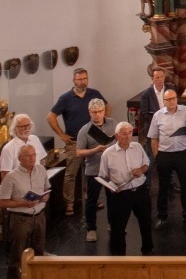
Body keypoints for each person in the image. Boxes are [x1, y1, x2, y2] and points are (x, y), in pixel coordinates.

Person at [47, 67, 107, 215]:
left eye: (85, 78)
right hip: (74, 142)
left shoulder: (94, 94)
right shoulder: (65, 98)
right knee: (71, 174)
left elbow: (106, 106)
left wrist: (102, 124)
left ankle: (92, 197)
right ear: (74, 80)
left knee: (92, 172)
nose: (82, 81)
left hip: (92, 140)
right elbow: (50, 117)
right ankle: (69, 203)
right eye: (80, 79)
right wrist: (61, 134)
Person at [98, 123, 153, 257]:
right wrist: (111, 187)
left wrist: (141, 170)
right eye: (124, 133)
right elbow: (103, 176)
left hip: (140, 191)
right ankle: (118, 257)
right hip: (121, 194)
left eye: (130, 132)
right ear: (117, 136)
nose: (128, 136)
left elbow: (146, 164)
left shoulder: (138, 147)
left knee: (146, 222)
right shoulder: (108, 154)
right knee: (118, 228)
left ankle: (148, 250)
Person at [0, 145, 49, 279]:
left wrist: (46, 196)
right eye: (28, 156)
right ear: (20, 159)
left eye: (34, 155)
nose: (32, 158)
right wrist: (21, 202)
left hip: (39, 216)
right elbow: (2, 202)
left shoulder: (41, 170)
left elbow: (46, 188)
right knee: (17, 253)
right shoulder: (11, 177)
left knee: (39, 250)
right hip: (20, 219)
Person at [148, 89, 186, 229]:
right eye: (168, 99)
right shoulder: (158, 115)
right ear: (163, 101)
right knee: (163, 186)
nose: (171, 101)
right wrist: (157, 156)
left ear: (177, 98)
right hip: (164, 154)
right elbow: (153, 138)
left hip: (182, 153)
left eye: (173, 98)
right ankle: (162, 216)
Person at [75, 98, 116, 242]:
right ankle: (91, 229)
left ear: (104, 111)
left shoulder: (112, 123)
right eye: (95, 112)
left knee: (112, 199)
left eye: (100, 111)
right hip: (94, 170)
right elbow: (79, 152)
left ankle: (113, 224)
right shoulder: (85, 130)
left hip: (111, 170)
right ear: (89, 113)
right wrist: (95, 150)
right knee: (92, 200)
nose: (98, 115)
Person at [0, 114, 45, 178]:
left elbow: (42, 161)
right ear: (15, 129)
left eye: (28, 125)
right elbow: (5, 174)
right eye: (23, 126)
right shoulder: (8, 148)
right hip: (19, 185)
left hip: (37, 180)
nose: (26, 128)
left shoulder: (35, 139)